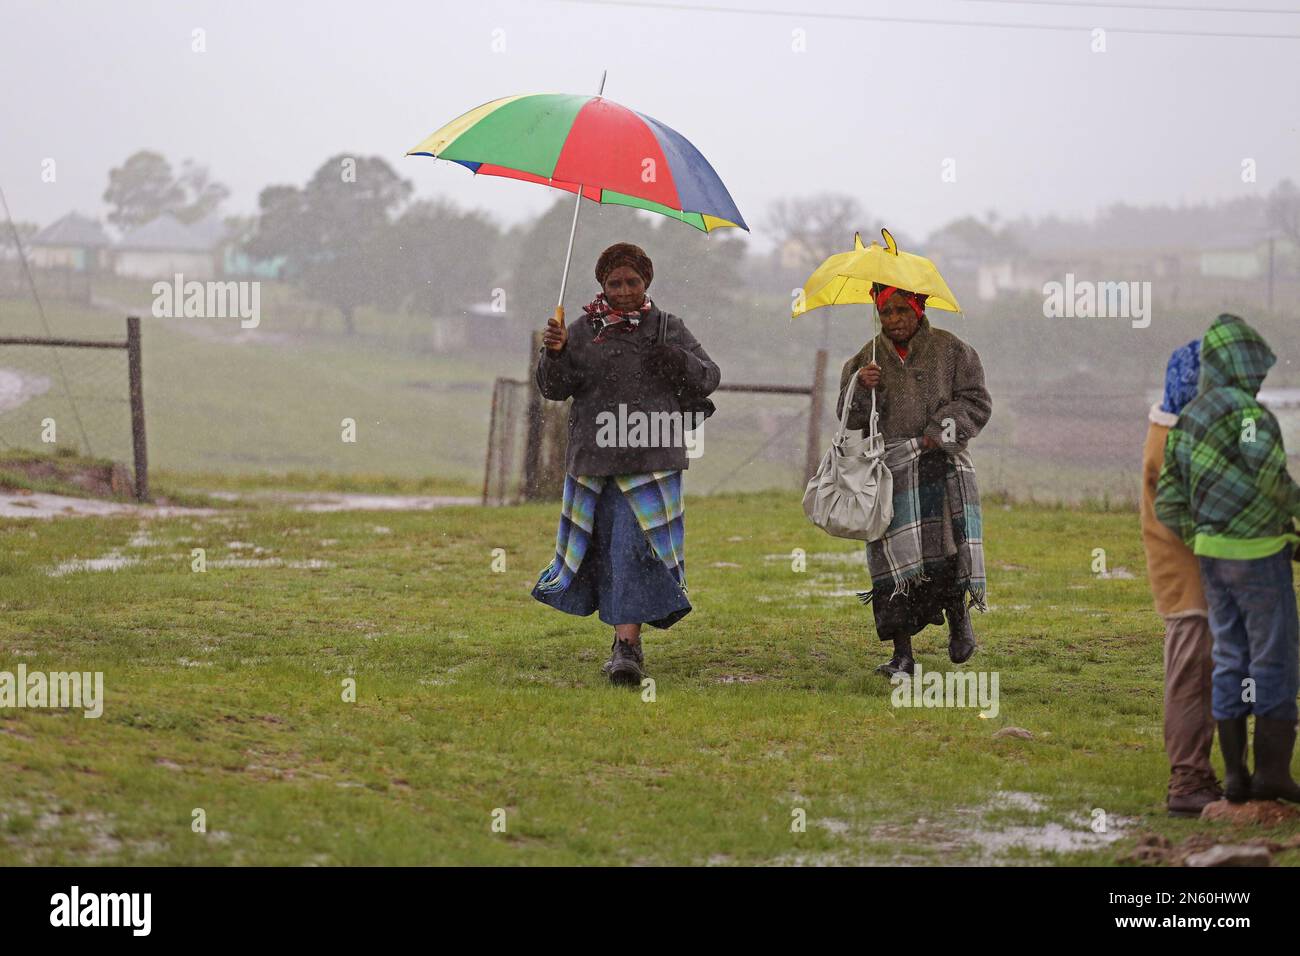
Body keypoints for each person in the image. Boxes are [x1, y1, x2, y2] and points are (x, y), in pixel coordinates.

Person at [531, 242, 720, 686]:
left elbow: (709, 376)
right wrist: (554, 354)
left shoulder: (668, 328)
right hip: (596, 462)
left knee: (633, 549)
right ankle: (625, 642)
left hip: (652, 459)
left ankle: (627, 647)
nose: (624, 290)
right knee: (609, 551)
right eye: (614, 283)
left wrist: (675, 359)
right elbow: (554, 389)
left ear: (647, 281)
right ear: (602, 285)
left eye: (632, 281)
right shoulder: (577, 331)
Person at [1156, 313, 1300, 804]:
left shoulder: (1189, 419)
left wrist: (1202, 536)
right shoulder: (1247, 417)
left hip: (1213, 561)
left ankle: (1235, 777)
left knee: (1231, 659)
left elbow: (1169, 501)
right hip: (1260, 557)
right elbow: (1268, 478)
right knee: (1273, 658)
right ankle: (1273, 775)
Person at [837, 283, 992, 677]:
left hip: (939, 466)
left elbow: (976, 401)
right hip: (888, 472)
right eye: (886, 312)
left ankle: (960, 624)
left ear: (919, 310)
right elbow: (849, 418)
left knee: (945, 555)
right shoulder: (865, 360)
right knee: (892, 566)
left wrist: (940, 431)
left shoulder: (952, 351)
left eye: (902, 311)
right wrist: (862, 388)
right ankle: (902, 657)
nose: (894, 320)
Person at [1140, 340, 1221, 816]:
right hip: (1189, 583)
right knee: (1191, 680)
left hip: (1191, 581)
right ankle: (1188, 782)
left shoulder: (1171, 430)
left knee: (1202, 678)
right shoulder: (1177, 441)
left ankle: (1201, 776)